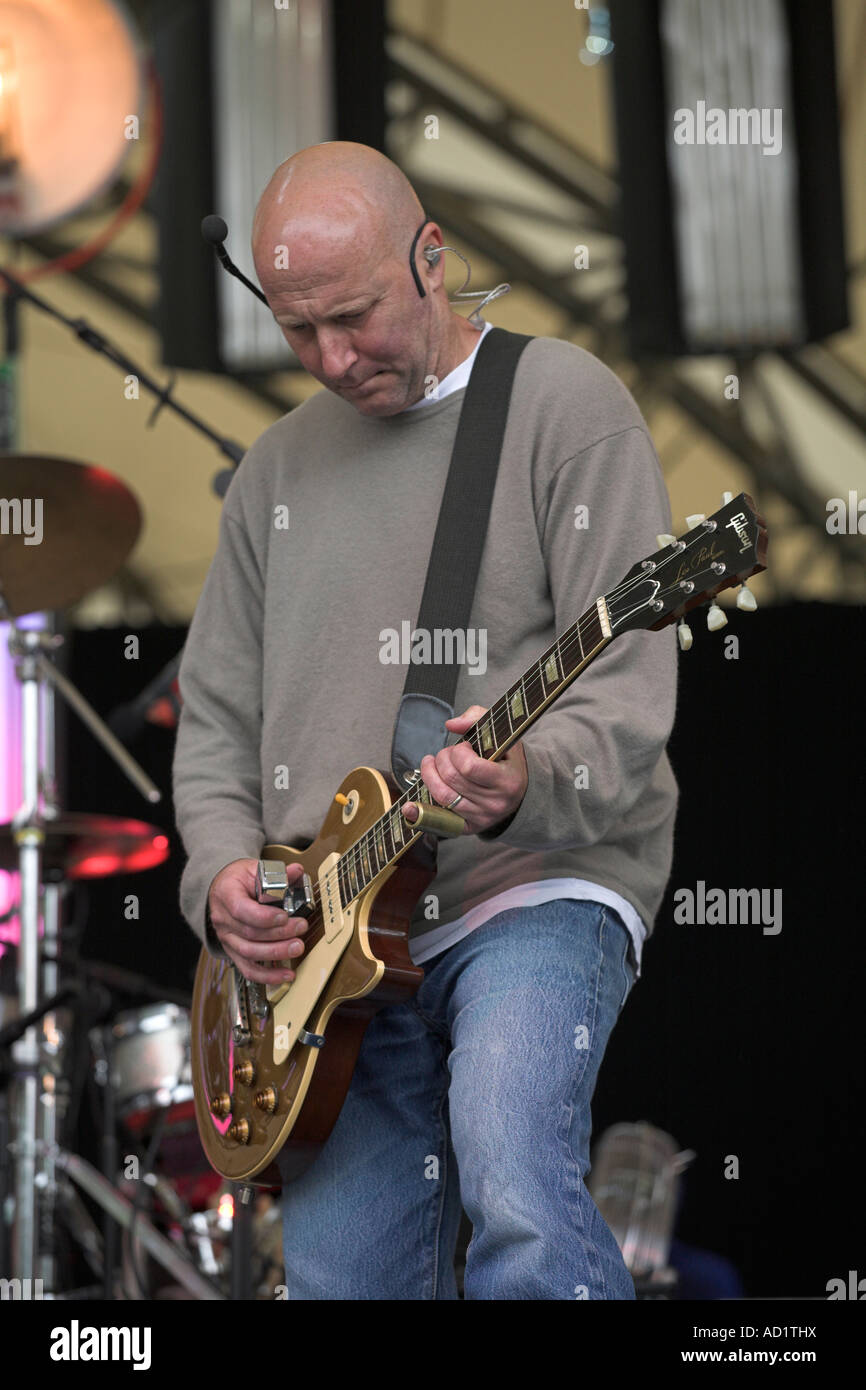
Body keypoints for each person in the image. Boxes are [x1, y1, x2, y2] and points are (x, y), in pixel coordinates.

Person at [172, 141, 678, 1300]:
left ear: (431, 256)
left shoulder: (564, 403)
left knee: (514, 1170)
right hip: (318, 945)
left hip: (530, 876)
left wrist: (528, 775)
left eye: (353, 316)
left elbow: (630, 694)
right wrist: (216, 877)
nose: (332, 359)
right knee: (347, 1281)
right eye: (299, 331)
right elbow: (215, 725)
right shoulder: (272, 474)